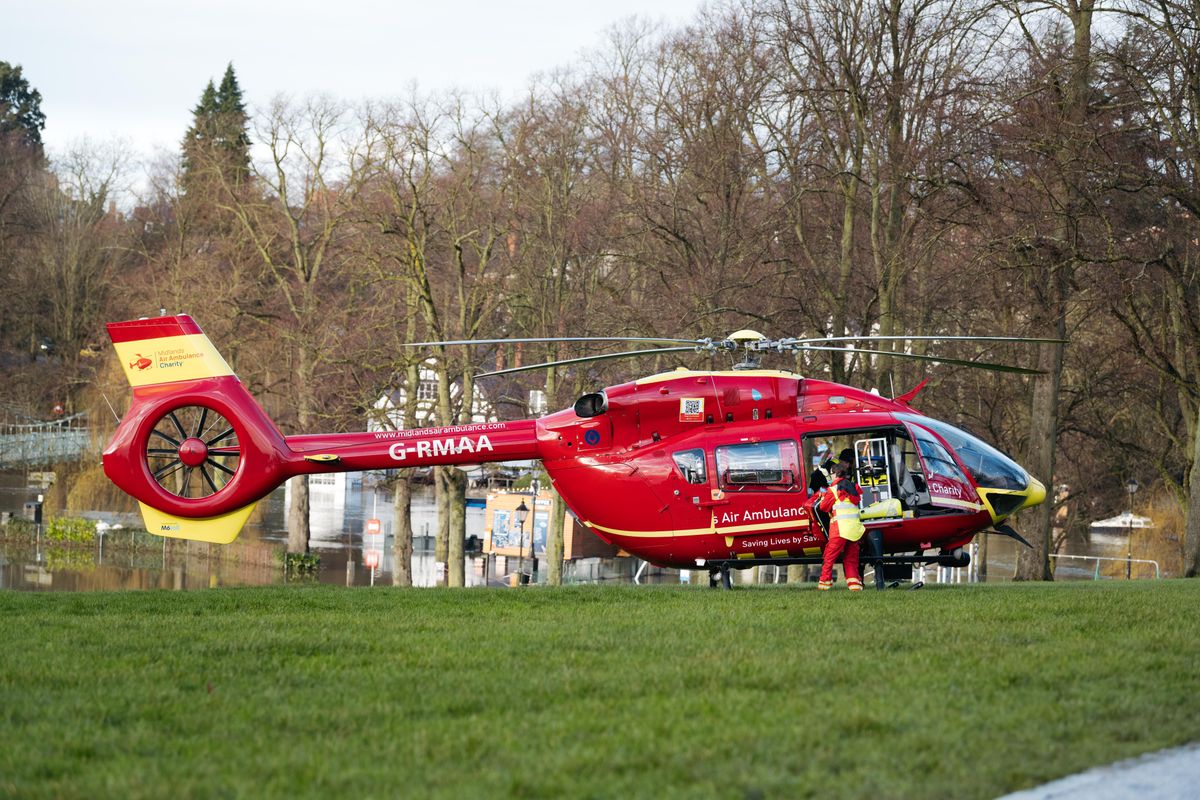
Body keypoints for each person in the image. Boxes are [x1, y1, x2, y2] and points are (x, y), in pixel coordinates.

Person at [817, 461, 865, 591]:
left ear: (836, 473)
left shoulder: (833, 490)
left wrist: (822, 496)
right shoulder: (854, 487)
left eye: (831, 473)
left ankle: (824, 585)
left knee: (829, 558)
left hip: (840, 530)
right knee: (851, 560)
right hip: (855, 530)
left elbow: (823, 507)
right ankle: (855, 586)